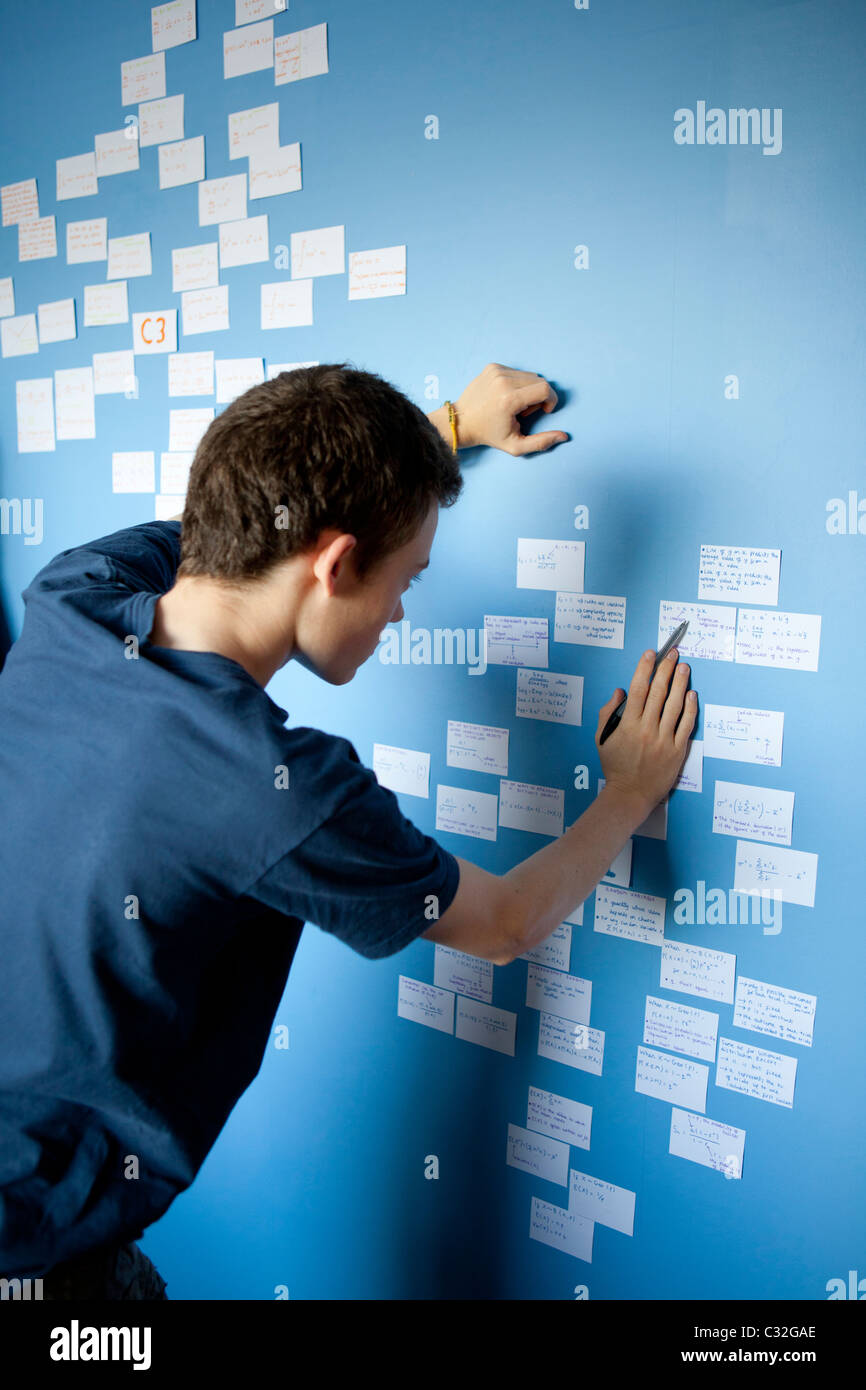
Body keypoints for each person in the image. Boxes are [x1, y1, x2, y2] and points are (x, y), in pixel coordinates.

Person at [0, 361, 696, 1300]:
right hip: (36, 1251)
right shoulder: (281, 790)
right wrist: (629, 791)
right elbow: (505, 926)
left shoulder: (77, 593)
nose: (402, 610)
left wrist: (441, 429)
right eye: (405, 577)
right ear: (333, 564)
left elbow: (254, 514)